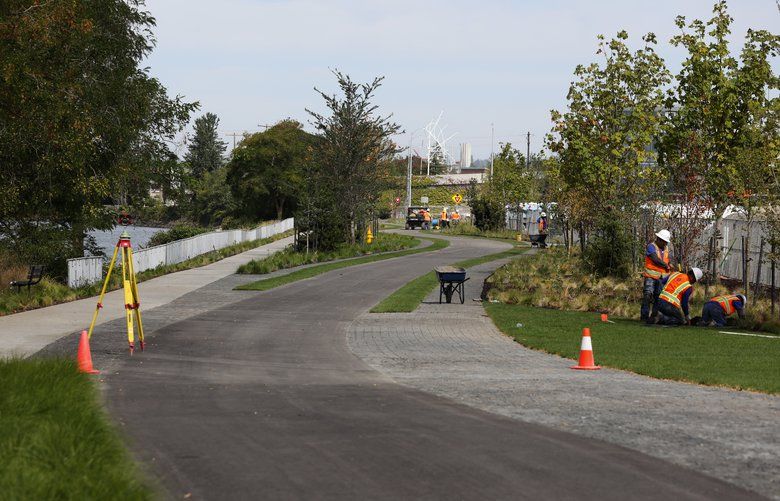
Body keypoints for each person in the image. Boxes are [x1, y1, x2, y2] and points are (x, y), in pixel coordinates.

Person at [640, 229, 673, 321]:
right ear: (659, 239)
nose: (665, 244)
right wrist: (666, 265)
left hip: (662, 278)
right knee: (647, 295)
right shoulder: (651, 246)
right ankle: (644, 316)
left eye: (666, 242)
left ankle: (653, 317)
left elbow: (667, 260)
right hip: (651, 276)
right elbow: (655, 259)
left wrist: (670, 264)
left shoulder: (666, 249)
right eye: (664, 242)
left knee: (658, 298)